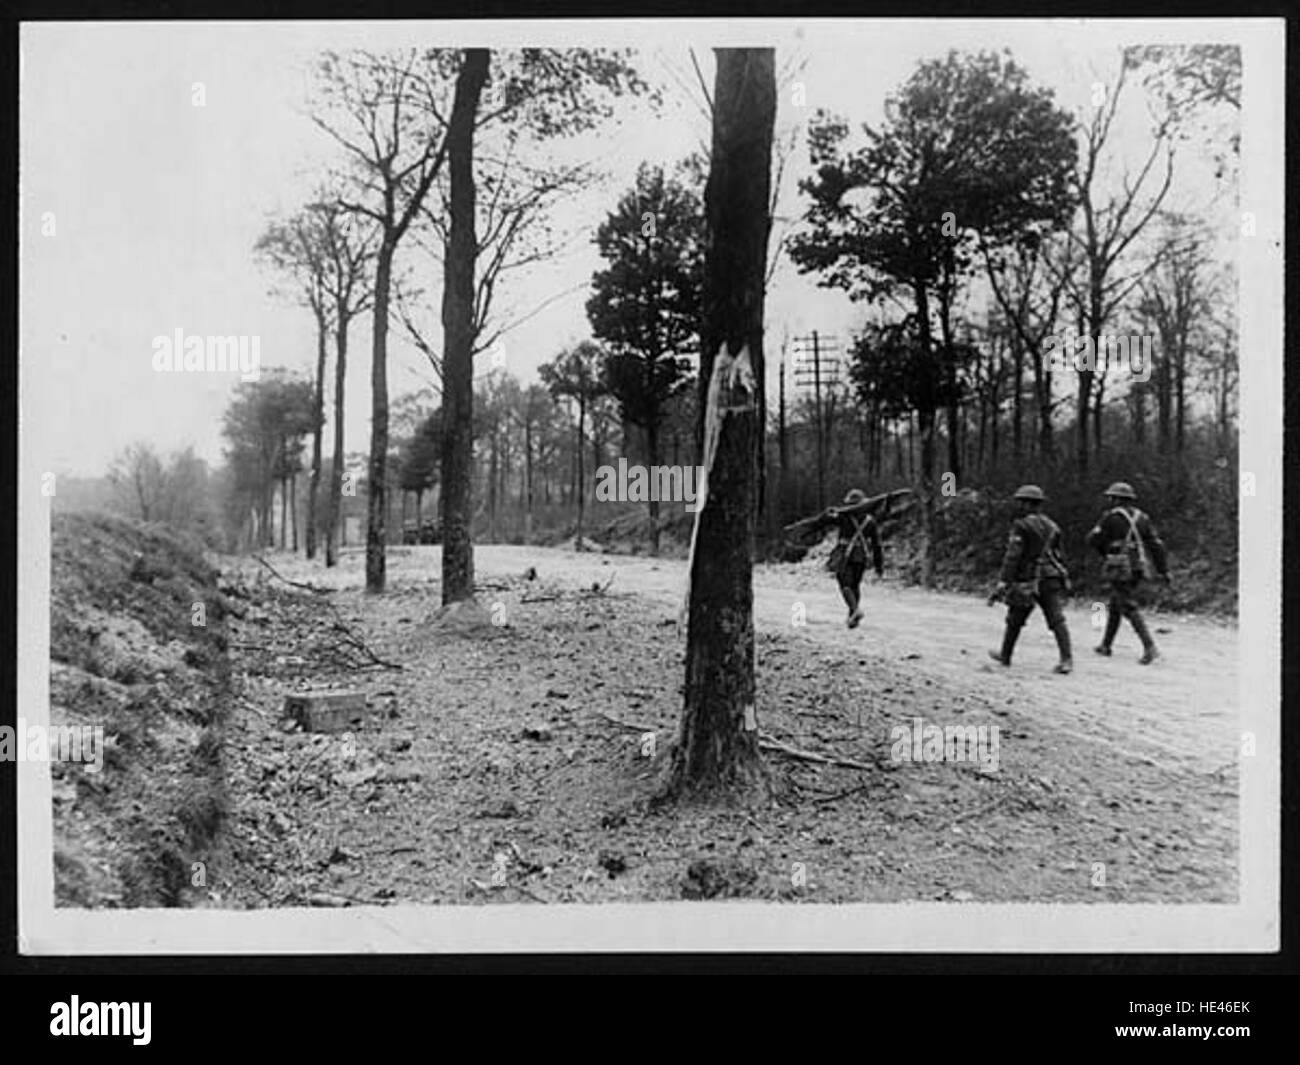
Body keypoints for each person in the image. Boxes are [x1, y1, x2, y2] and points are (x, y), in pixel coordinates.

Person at [988, 484, 1074, 674]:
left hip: (1028, 579)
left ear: (1027, 504)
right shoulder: (1053, 526)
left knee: (1015, 618)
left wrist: (1004, 581)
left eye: (1021, 502)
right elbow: (1060, 554)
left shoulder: (1021, 526)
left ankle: (1006, 655)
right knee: (1056, 619)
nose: (1018, 506)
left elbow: (1013, 556)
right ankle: (1067, 659)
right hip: (1051, 576)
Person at [1086, 481, 1170, 664]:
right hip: (1138, 566)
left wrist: (1106, 553)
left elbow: (1093, 540)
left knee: (1128, 605)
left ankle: (1150, 647)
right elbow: (1156, 545)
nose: (1110, 501)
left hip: (1119, 567)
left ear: (1116, 499)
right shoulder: (1143, 518)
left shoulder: (1111, 517)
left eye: (1112, 498)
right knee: (1116, 602)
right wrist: (1163, 570)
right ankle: (1106, 645)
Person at [819, 489, 885, 629]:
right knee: (855, 585)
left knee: (844, 583)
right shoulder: (870, 521)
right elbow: (877, 545)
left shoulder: (843, 517)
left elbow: (823, 522)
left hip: (845, 554)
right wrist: (879, 566)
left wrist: (826, 513)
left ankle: (855, 611)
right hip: (862, 556)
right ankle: (852, 618)